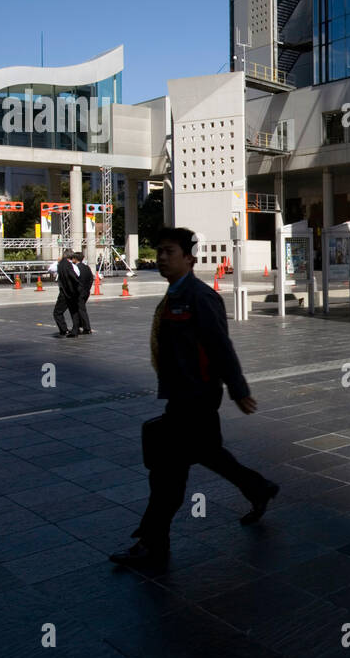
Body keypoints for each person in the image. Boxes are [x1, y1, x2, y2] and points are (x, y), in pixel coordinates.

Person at [111, 227, 279, 571]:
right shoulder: (173, 296)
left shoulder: (200, 297)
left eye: (169, 251)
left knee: (167, 476)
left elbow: (220, 346)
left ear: (189, 258)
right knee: (208, 455)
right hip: (182, 396)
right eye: (159, 251)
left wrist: (239, 388)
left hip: (196, 398)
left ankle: (152, 544)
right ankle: (258, 488)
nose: (161, 257)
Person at [52, 250, 80, 337]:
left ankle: (63, 329)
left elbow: (50, 269)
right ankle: (75, 330)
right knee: (74, 311)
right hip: (72, 292)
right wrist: (77, 285)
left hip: (64, 292)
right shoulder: (70, 265)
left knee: (57, 312)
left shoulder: (61, 264)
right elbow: (73, 276)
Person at [73, 252, 94, 334]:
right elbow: (91, 278)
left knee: (81, 309)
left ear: (75, 259)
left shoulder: (76, 268)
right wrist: (88, 288)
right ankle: (78, 325)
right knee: (79, 308)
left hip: (79, 292)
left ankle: (87, 327)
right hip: (86, 291)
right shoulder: (87, 267)